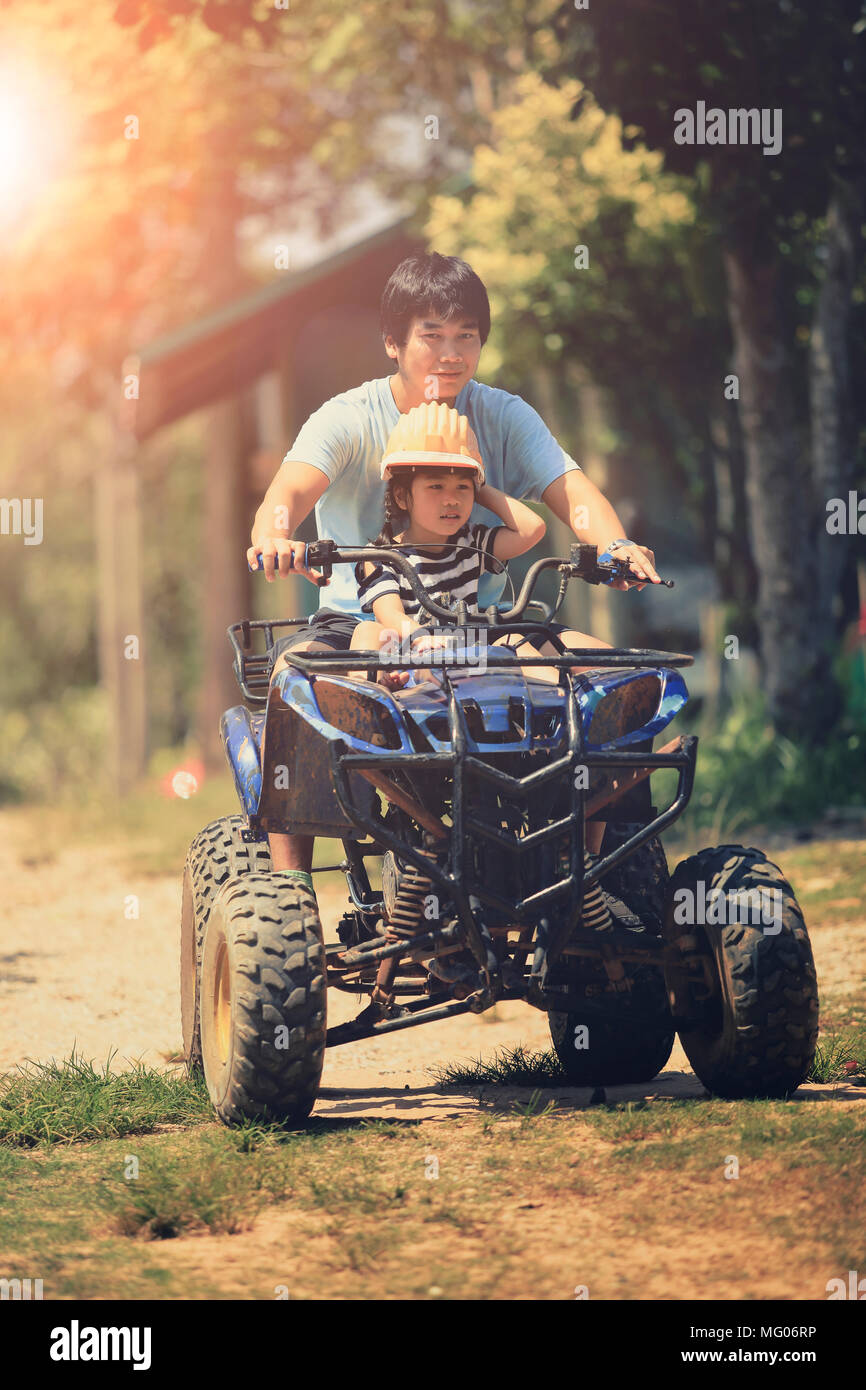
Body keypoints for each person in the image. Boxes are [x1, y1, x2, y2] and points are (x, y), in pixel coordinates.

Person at [247, 252, 660, 899]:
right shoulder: (348, 417)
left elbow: (573, 496)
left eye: (465, 334)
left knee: (614, 682)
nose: (450, 352)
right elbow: (289, 492)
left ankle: (589, 874)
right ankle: (287, 893)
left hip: (484, 625)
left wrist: (617, 545)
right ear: (393, 343)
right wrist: (274, 536)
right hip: (360, 621)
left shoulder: (502, 416)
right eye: (430, 335)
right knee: (293, 680)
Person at [348, 402, 576, 688]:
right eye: (436, 486)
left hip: (467, 653)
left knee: (513, 639)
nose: (451, 499)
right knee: (368, 630)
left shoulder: (471, 544)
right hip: (409, 656)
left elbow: (532, 529)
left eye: (461, 488)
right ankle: (364, 698)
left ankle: (559, 700)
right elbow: (391, 614)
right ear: (402, 497)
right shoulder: (380, 557)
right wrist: (422, 639)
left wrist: (478, 486)